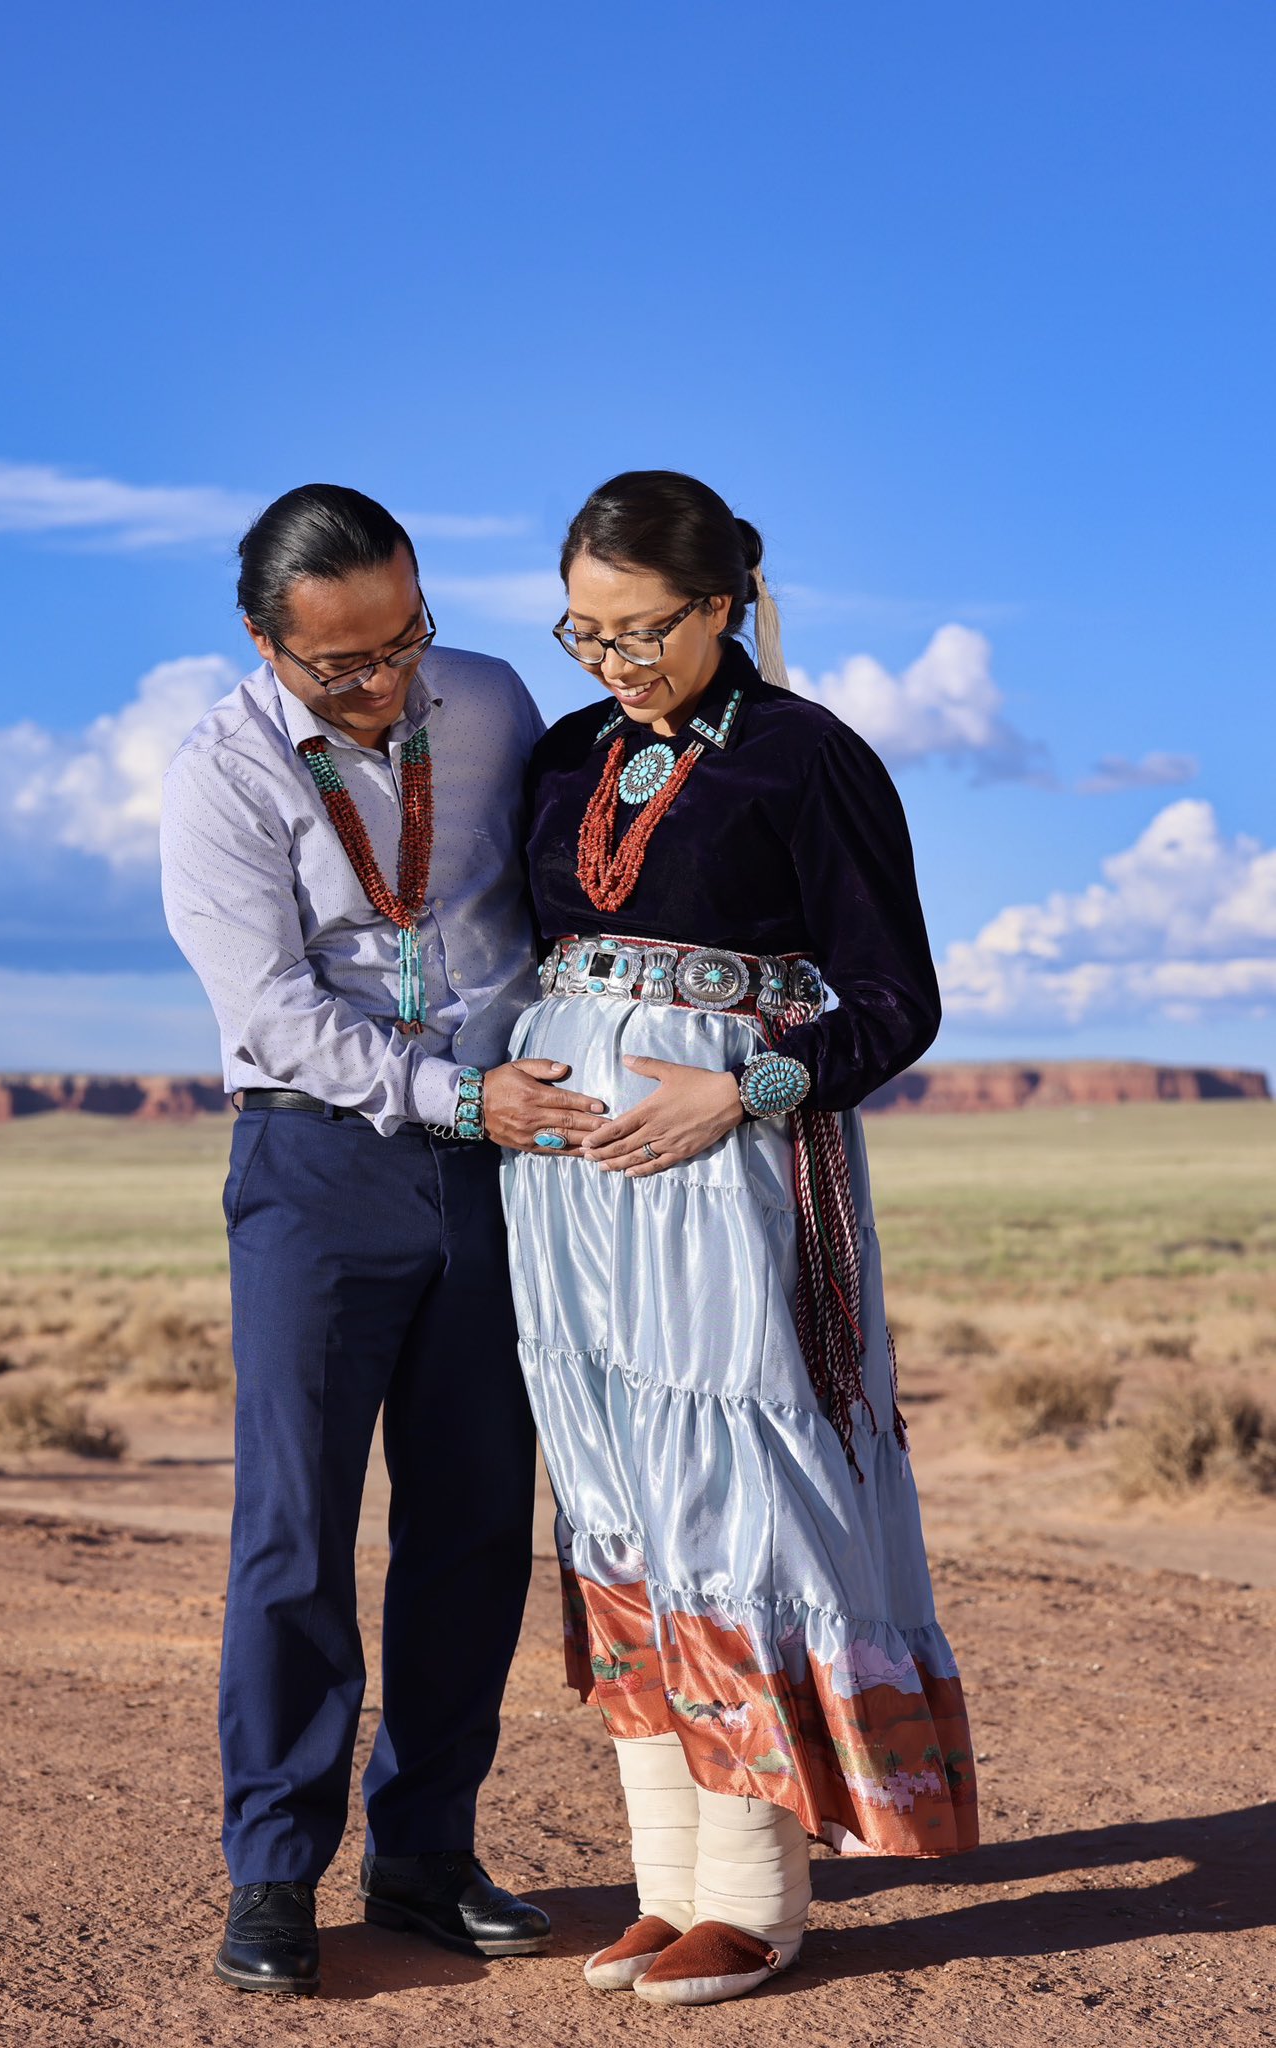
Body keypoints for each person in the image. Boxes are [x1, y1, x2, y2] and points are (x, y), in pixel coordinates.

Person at [501, 471, 979, 2008]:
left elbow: (895, 1001)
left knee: (732, 1497)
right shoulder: (569, 754)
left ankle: (758, 1903)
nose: (613, 663)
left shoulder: (804, 758)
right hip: (570, 1186)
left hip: (724, 1173)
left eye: (644, 631)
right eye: (585, 633)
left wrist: (743, 1091)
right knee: (615, 1500)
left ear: (725, 604)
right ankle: (660, 1890)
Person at [160, 484, 607, 1995]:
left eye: (403, 640)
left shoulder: (487, 695)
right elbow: (273, 1012)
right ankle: (273, 1872)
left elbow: (549, 894)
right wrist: (453, 1095)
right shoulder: (216, 776)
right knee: (293, 1528)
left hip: (498, 1159)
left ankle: (424, 1850)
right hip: (317, 1161)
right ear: (264, 643)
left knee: (477, 1515)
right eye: (341, 666)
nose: (385, 684)